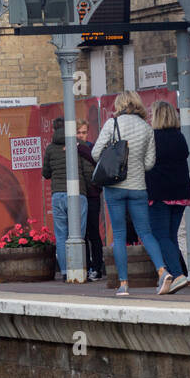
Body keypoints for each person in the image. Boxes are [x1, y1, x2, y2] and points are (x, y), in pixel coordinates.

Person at [91, 90, 169, 297]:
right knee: (145, 232)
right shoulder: (147, 128)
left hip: (115, 188)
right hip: (138, 188)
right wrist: (135, 164)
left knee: (119, 234)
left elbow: (95, 153)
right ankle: (162, 271)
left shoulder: (112, 124)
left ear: (119, 105)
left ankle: (124, 285)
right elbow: (150, 163)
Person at [145, 100, 190, 295]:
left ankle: (178, 275)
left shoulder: (152, 138)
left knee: (160, 236)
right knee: (170, 236)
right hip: (180, 194)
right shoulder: (180, 137)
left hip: (159, 194)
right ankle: (171, 278)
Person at [42, 118, 93, 279]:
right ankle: (79, 271)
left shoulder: (50, 149)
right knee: (79, 234)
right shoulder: (78, 145)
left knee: (61, 235)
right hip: (78, 194)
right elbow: (88, 171)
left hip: (58, 195)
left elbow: (46, 173)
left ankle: (65, 272)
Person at [76, 119, 104, 280]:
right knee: (81, 234)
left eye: (84, 132)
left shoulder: (91, 148)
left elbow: (96, 160)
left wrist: (79, 147)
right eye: (78, 132)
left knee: (94, 233)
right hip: (78, 196)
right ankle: (85, 266)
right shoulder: (70, 149)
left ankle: (97, 267)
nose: (81, 135)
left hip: (92, 195)